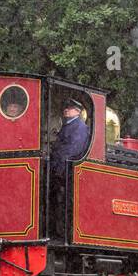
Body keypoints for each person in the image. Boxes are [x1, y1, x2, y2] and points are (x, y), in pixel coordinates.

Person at [48, 98, 90, 238]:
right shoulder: (68, 126)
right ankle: (54, 230)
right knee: (55, 201)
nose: (66, 110)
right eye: (65, 107)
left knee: (63, 202)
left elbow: (74, 150)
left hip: (67, 171)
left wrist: (58, 168)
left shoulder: (80, 127)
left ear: (78, 111)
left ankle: (62, 232)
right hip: (60, 169)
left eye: (70, 108)